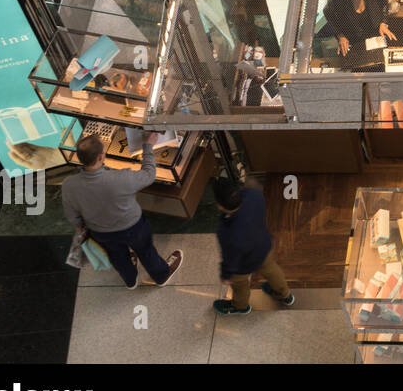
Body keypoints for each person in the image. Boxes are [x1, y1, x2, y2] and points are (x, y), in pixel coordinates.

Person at [62, 132, 184, 288]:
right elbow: (149, 175)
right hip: (133, 226)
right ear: (100, 157)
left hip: (100, 232)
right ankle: (161, 275)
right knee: (145, 250)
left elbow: (72, 216)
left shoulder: (69, 184)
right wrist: (148, 147)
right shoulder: (121, 178)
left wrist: (80, 225)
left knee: (117, 256)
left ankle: (130, 280)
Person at [211, 178, 292, 315]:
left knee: (240, 286)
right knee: (272, 270)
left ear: (220, 206)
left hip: (243, 265)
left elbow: (230, 259)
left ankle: (240, 306)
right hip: (264, 247)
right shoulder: (254, 196)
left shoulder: (227, 232)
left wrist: (226, 275)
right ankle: (284, 295)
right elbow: (249, 189)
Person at [323, 0, 397, 61]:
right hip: (354, 44)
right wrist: (340, 35)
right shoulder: (337, 0)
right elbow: (329, 15)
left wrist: (383, 23)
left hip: (375, 40)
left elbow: (385, 5)